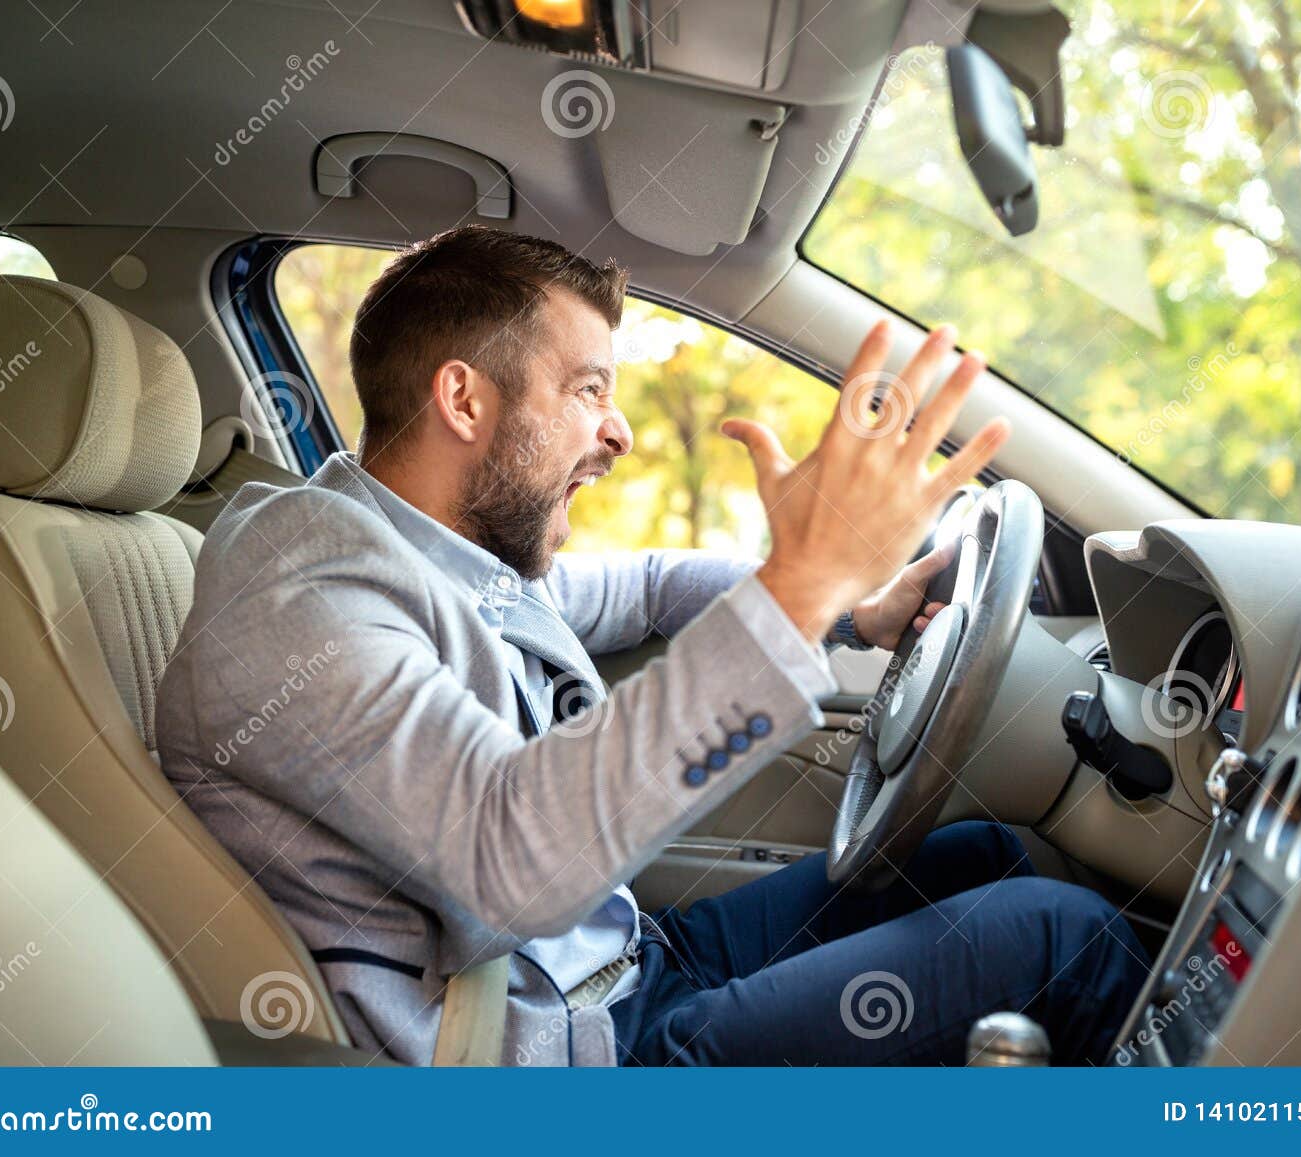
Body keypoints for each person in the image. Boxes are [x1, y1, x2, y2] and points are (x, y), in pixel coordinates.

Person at [154, 226, 1147, 1067]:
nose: (619, 429)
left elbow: (649, 587)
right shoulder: (300, 607)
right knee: (1056, 937)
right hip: (563, 1056)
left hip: (620, 963)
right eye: (587, 388)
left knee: (994, 856)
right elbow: (508, 859)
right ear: (464, 401)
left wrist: (856, 604)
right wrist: (797, 585)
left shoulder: (431, 552)